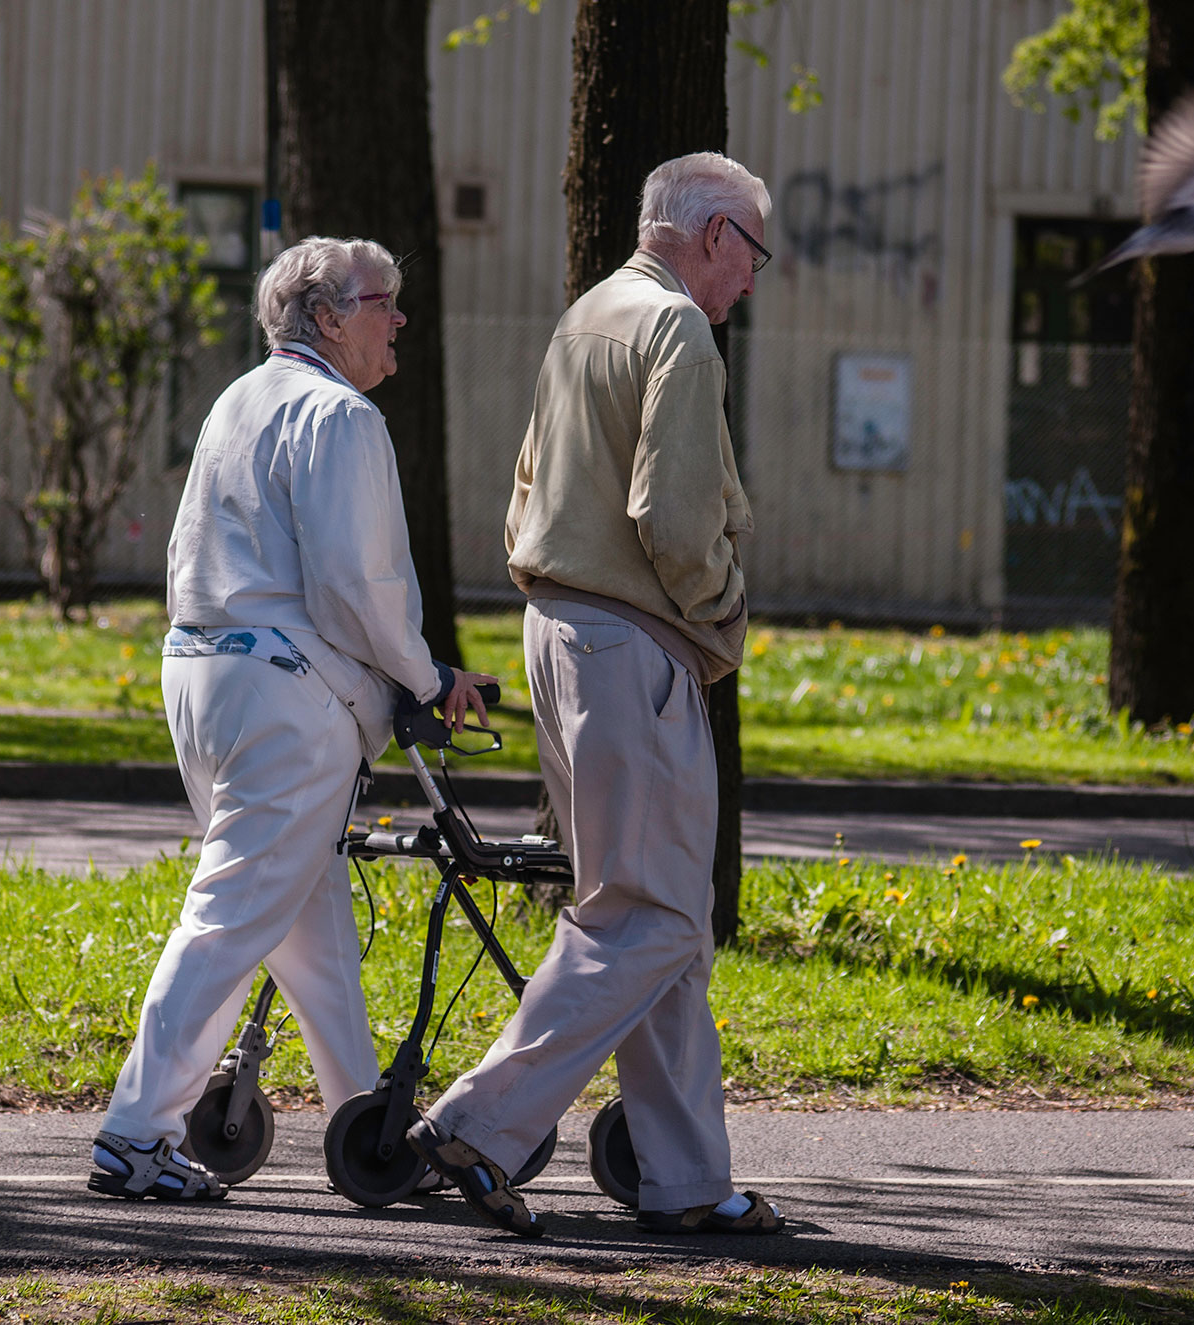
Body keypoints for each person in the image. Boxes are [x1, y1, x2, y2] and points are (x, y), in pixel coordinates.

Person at [406, 152, 781, 1237]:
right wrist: (719, 603)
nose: (750, 278)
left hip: (560, 630)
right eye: (750, 251)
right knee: (652, 911)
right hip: (633, 642)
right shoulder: (677, 329)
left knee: (649, 912)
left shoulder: (586, 316)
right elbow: (671, 516)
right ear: (712, 234)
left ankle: (686, 1179)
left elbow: (526, 484)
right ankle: (479, 1120)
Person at [89, 236, 495, 1200]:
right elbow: (359, 583)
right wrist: (429, 675)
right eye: (382, 302)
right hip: (286, 694)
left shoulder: (239, 399)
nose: (399, 319)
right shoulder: (341, 416)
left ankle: (374, 1127)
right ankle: (134, 1133)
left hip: (203, 675)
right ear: (326, 317)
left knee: (308, 923)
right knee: (233, 914)